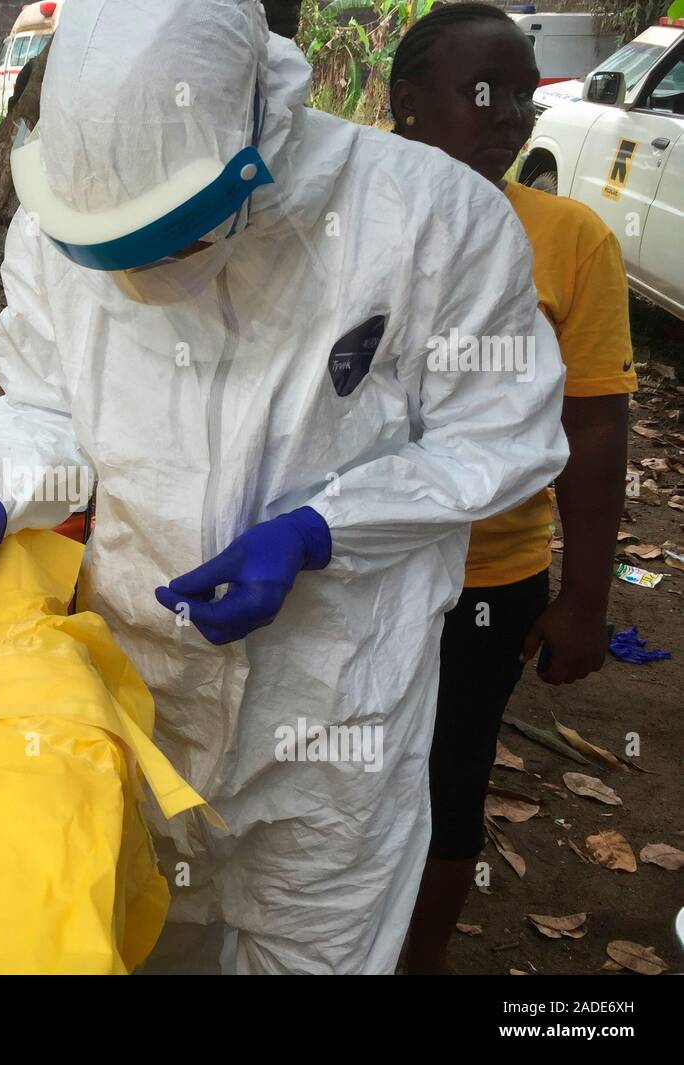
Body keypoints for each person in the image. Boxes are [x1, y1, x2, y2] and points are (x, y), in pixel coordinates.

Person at [0, 0, 568, 974]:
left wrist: (319, 532)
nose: (141, 273)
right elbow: (47, 404)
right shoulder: (56, 224)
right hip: (141, 692)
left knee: (315, 950)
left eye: (168, 240)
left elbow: (500, 433)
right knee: (143, 932)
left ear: (253, 145)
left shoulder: (429, 221)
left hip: (331, 709)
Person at [387, 3, 635, 974]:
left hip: (485, 581)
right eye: (482, 91)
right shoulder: (347, 223)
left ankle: (418, 959)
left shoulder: (570, 240)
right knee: (342, 771)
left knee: (447, 783)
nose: (509, 114)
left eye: (523, 94)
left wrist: (582, 598)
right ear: (407, 105)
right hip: (348, 570)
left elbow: (594, 425)